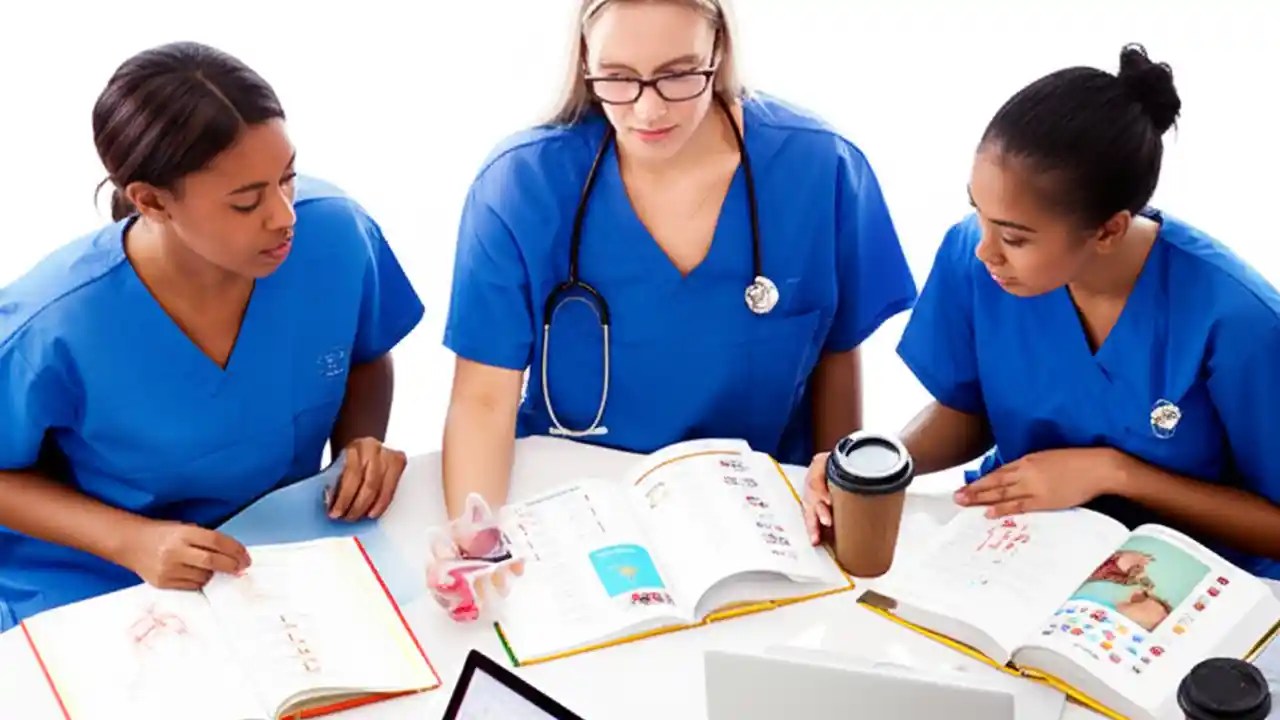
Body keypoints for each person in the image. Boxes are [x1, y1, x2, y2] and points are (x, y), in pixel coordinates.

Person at [803, 43, 1280, 579]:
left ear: (1109, 230)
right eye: (978, 214)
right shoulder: (973, 259)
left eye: (1013, 237)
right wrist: (879, 464)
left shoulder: (1238, 321)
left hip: (1187, 585)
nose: (986, 249)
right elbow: (969, 411)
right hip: (1022, 549)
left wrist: (1114, 474)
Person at [439, 0, 917, 523]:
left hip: (761, 508)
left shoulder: (819, 167)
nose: (648, 110)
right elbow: (483, 400)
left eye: (679, 74)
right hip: (573, 498)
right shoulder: (519, 185)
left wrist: (841, 509)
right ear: (584, 59)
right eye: (618, 77)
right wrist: (475, 538)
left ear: (721, 50)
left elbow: (837, 352)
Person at [0, 41, 424, 630]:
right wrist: (129, 541)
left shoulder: (334, 236)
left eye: (287, 178)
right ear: (151, 201)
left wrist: (360, 447)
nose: (284, 216)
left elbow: (363, 355)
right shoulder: (51, 325)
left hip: (281, 551)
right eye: (247, 202)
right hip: (97, 580)